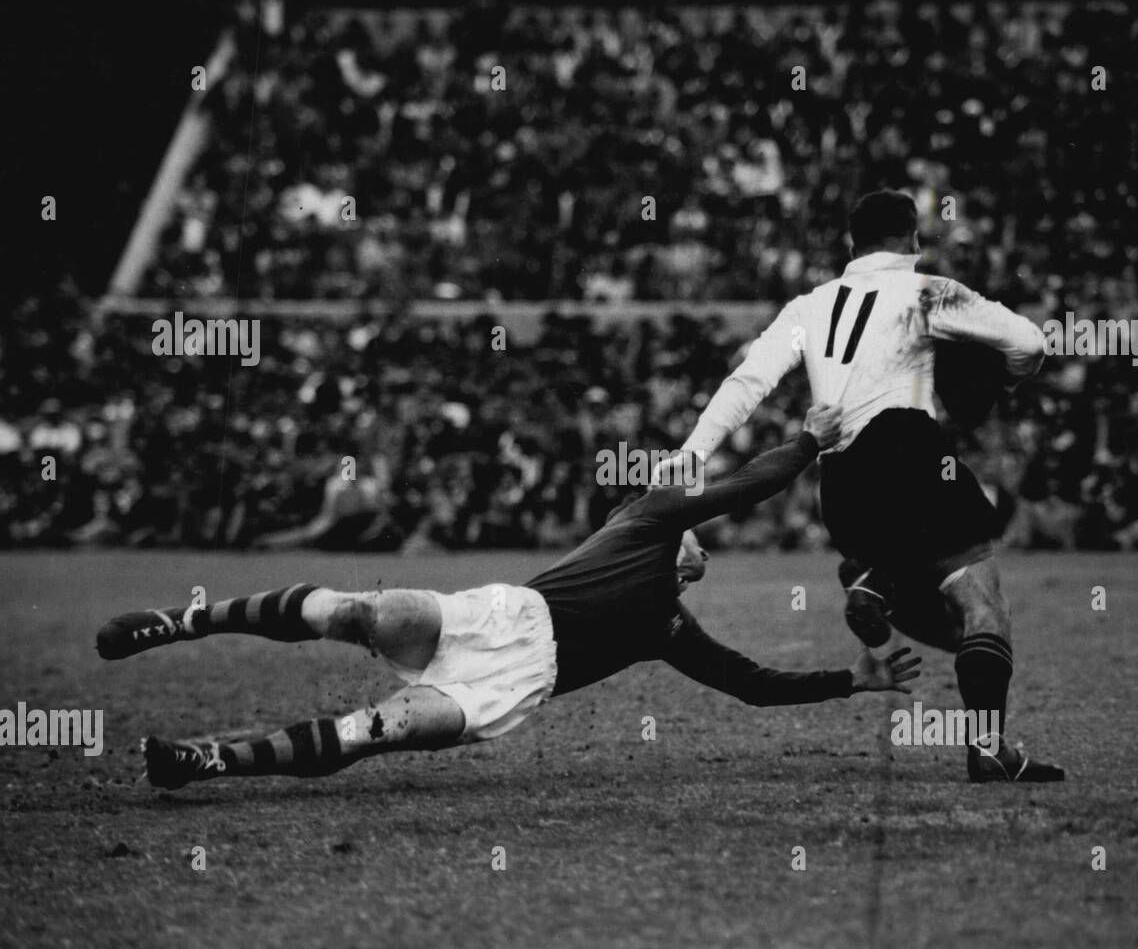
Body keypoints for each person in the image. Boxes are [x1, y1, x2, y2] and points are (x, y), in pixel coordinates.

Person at [96, 403, 921, 789]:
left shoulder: (669, 628)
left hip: (516, 682)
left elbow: (750, 685)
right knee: (361, 613)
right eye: (699, 537)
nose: (704, 545)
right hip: (502, 610)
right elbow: (745, 485)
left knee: (383, 727)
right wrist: (810, 442)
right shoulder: (650, 518)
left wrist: (857, 680)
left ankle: (208, 760)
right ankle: (184, 620)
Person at [666, 189, 1063, 782]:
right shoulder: (926, 290)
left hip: (841, 485)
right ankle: (986, 748)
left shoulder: (809, 305)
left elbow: (748, 381)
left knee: (955, 631)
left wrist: (690, 454)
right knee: (983, 606)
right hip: (910, 456)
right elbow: (1029, 342)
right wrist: (1009, 380)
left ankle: (881, 582)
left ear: (852, 244)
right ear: (913, 240)